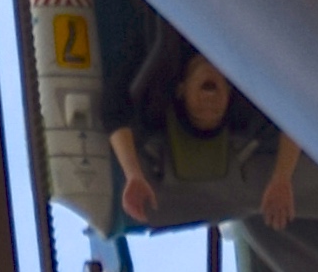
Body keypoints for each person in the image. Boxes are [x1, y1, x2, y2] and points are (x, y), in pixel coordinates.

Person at [110, 31, 301, 244]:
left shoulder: (160, 54)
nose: (209, 106)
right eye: (216, 113)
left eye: (199, 112)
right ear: (228, 92)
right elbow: (294, 115)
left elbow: (115, 111)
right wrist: (282, 177)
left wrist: (133, 174)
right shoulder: (246, 59)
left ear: (182, 90)